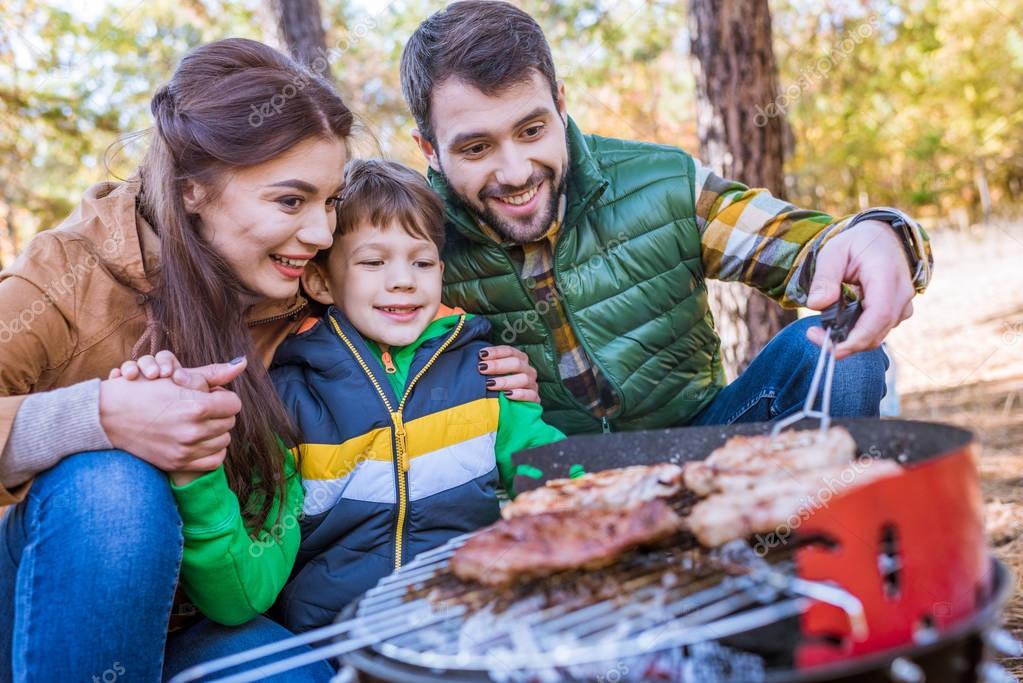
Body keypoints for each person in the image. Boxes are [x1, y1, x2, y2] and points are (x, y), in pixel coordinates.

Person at [0, 38, 537, 681]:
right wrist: (99, 415)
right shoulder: (63, 280)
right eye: (290, 201)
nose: (319, 233)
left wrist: (486, 370)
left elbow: (414, 303)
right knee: (116, 486)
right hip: (52, 602)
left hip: (198, 618)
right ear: (194, 189)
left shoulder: (311, 275)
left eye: (331, 201)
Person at [399, 1, 934, 435]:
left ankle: (821, 548)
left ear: (560, 105)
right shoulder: (410, 239)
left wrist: (882, 238)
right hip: (541, 484)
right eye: (475, 148)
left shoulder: (662, 183)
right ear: (428, 148)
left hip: (701, 449)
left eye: (532, 130)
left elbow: (808, 250)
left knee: (835, 352)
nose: (515, 173)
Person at [268, 159, 565, 633]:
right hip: (336, 631)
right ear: (321, 281)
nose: (404, 279)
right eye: (373, 261)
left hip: (475, 616)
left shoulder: (484, 373)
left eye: (421, 262)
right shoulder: (292, 395)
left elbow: (551, 472)